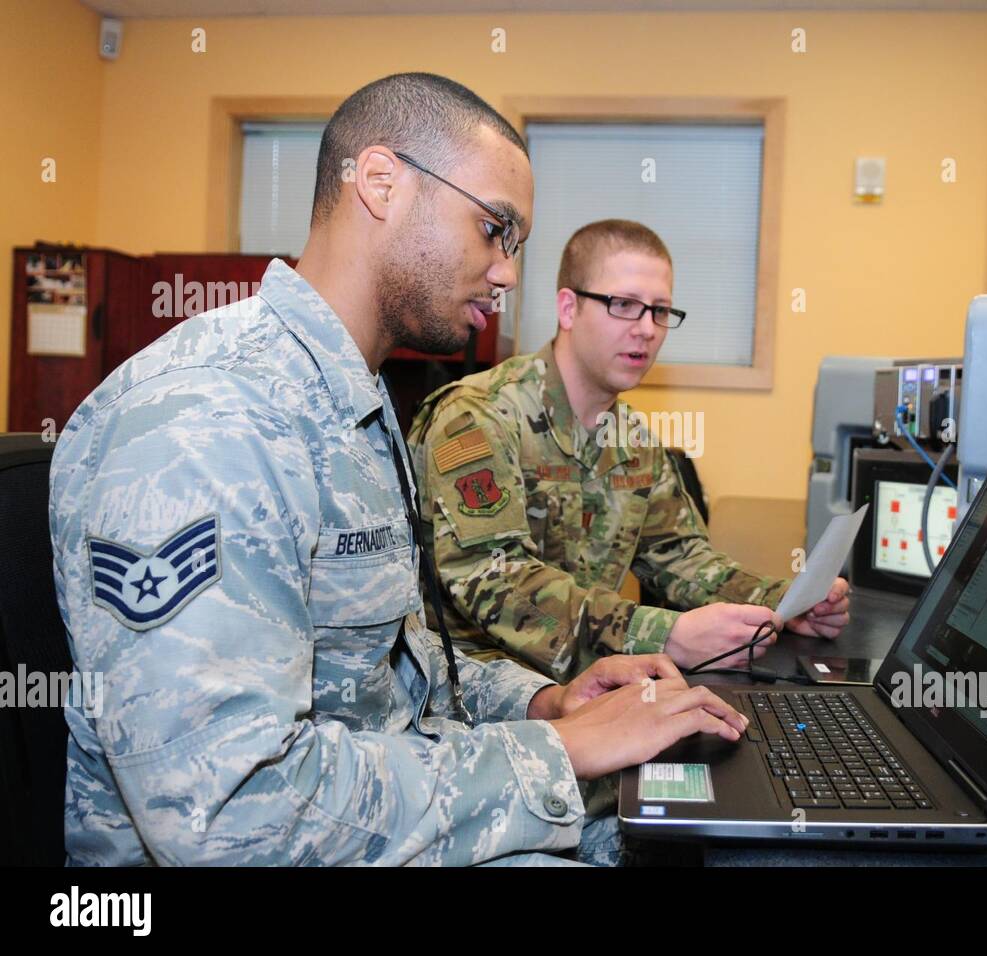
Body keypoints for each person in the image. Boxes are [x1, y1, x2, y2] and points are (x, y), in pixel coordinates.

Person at [50, 73, 747, 867]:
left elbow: (395, 682)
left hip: (379, 810)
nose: (508, 273)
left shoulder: (354, 401)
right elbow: (231, 817)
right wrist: (557, 753)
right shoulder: (208, 421)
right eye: (494, 228)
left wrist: (547, 701)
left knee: (713, 836)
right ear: (380, 183)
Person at [408, 219, 850, 688]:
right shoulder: (477, 416)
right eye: (624, 305)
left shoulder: (633, 439)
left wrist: (781, 603)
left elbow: (680, 557)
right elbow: (495, 580)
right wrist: (664, 634)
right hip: (480, 700)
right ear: (568, 308)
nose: (646, 329)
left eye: (660, 310)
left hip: (595, 686)